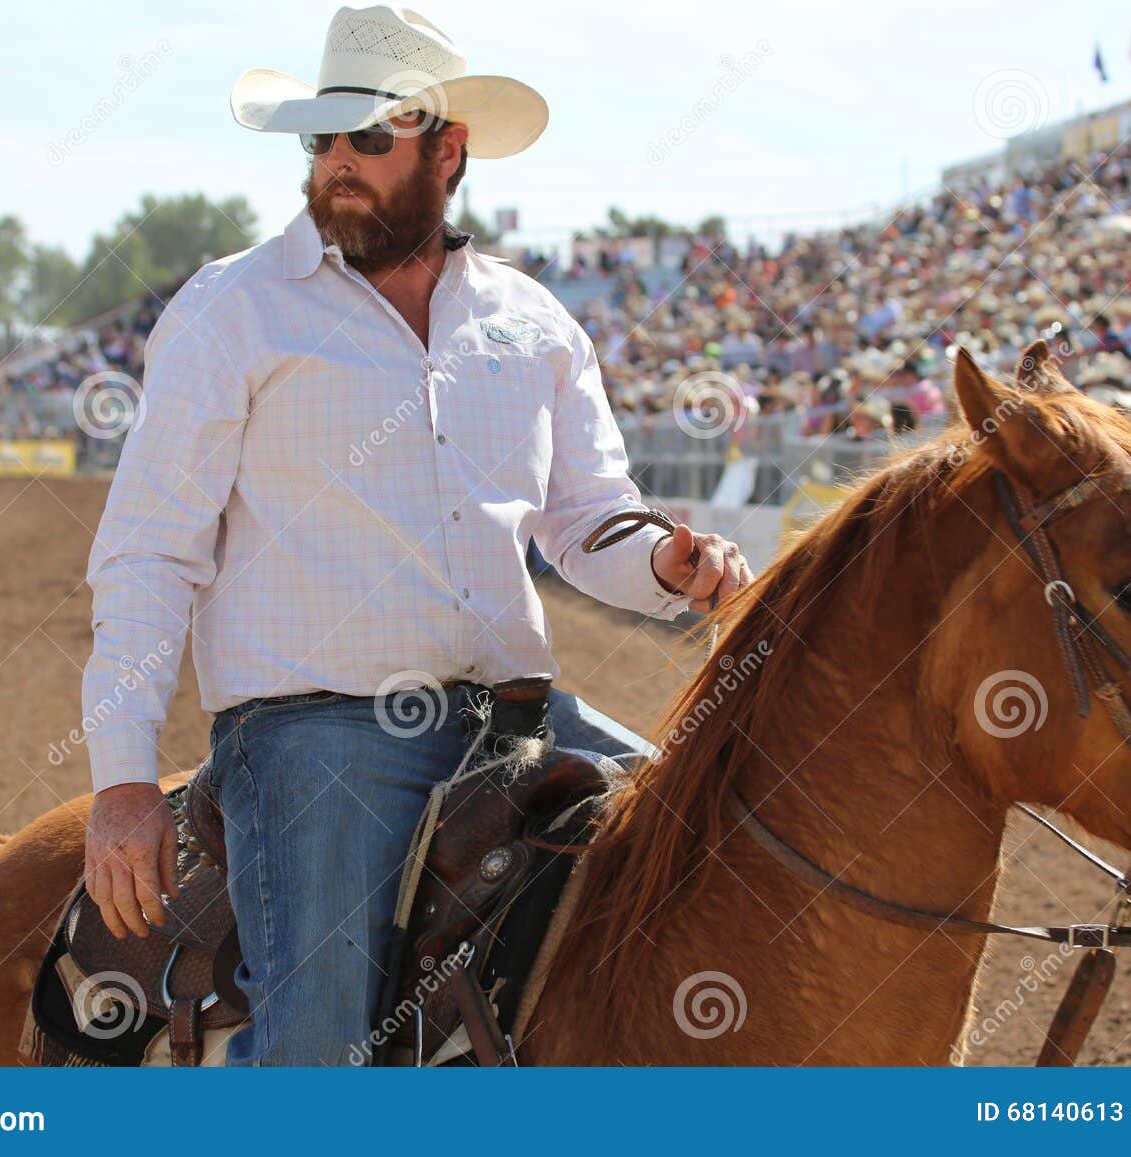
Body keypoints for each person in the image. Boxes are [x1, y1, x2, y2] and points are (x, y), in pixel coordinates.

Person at [79, 4, 753, 1067]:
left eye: (368, 137)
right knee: (319, 1053)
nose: (337, 162)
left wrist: (663, 559)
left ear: (449, 149)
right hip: (315, 740)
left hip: (524, 720)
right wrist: (121, 782)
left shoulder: (533, 322)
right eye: (321, 139)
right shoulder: (233, 310)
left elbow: (588, 520)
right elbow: (149, 551)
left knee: (726, 857)